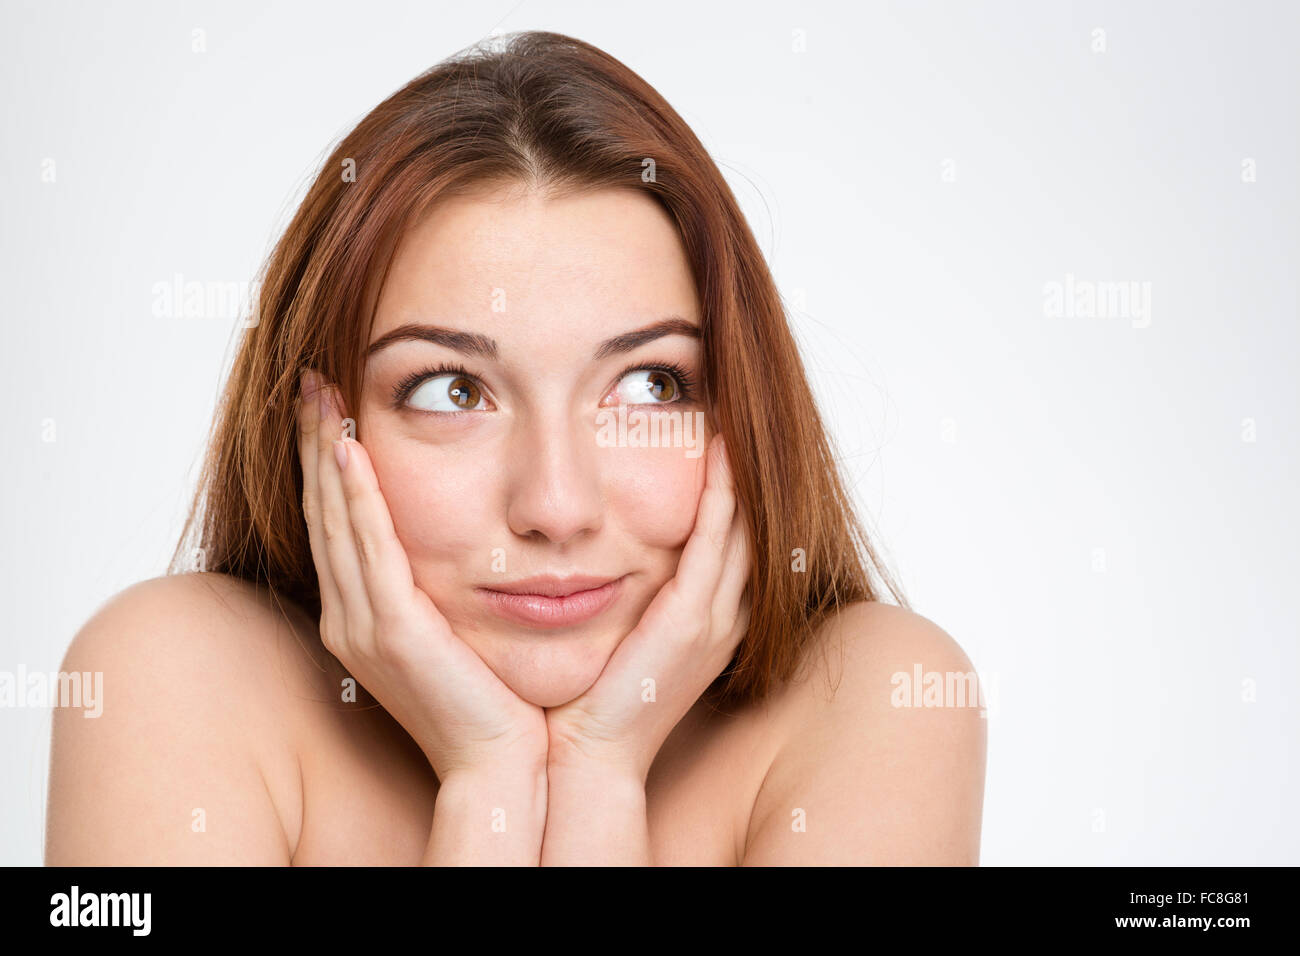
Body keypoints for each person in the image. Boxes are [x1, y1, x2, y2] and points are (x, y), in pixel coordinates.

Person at [45, 30, 985, 865]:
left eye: (650, 385)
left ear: (742, 407)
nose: (554, 506)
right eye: (454, 392)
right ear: (320, 427)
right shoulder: (176, 678)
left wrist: (599, 778)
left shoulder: (872, 700)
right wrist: (491, 786)